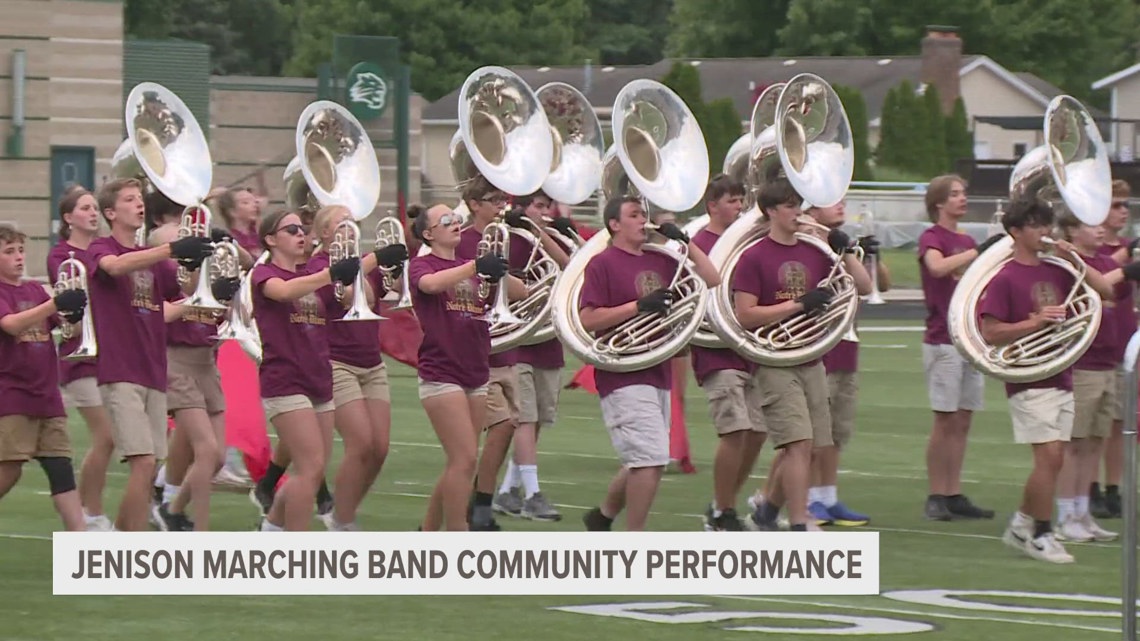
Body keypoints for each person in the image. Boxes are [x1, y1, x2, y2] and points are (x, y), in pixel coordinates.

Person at [980, 198, 1117, 563]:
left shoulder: (1058, 269)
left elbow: (1105, 291)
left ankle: (1022, 524)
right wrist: (1035, 323)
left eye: (1046, 224)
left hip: (1062, 373)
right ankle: (1041, 533)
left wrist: (1076, 259)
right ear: (1016, 232)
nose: (1046, 232)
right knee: (1050, 457)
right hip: (1029, 376)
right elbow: (990, 333)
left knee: (1054, 460)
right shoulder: (1005, 277)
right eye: (1036, 225)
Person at [580, 195, 720, 532]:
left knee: (643, 456)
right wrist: (638, 306)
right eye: (634, 215)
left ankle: (603, 516)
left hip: (658, 368)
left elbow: (711, 278)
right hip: (623, 371)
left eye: (644, 214)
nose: (643, 220)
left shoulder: (662, 259)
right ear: (615, 224)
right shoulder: (602, 263)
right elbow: (588, 319)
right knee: (650, 459)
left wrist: (684, 241)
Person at [740, 177, 872, 533]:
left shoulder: (815, 251)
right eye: (788, 206)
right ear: (770, 212)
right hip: (774, 359)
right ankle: (800, 523)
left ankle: (767, 512)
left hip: (812, 358)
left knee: (810, 445)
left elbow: (864, 287)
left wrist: (845, 250)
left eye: (798, 204)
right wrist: (798, 305)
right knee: (798, 444)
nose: (797, 212)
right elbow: (745, 315)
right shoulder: (754, 257)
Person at [88, 178, 214, 532]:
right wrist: (171, 250)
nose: (139, 205)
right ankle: (125, 538)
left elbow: (174, 300)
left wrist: (204, 272)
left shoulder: (154, 261)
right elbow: (113, 267)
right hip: (121, 369)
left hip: (153, 368)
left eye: (139, 199)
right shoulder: (101, 247)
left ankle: (122, 536)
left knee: (150, 463)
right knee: (143, 463)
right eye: (129, 200)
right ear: (111, 212)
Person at [455, 177, 569, 530]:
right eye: (492, 200)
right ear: (474, 204)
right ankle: (471, 508)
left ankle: (484, 500)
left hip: (509, 346)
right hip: (477, 348)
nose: (499, 207)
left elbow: (564, 267)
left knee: (506, 428)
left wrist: (537, 232)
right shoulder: (463, 241)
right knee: (474, 440)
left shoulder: (511, 235)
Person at [409, 203, 524, 531]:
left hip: (476, 371)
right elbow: (430, 285)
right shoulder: (422, 264)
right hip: (441, 373)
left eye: (456, 219)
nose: (456, 223)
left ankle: (428, 533)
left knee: (460, 463)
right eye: (446, 220)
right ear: (429, 234)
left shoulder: (466, 267)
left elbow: (521, 292)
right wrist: (476, 265)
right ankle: (458, 534)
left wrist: (499, 270)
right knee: (465, 460)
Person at [250, 209, 360, 532]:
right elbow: (283, 292)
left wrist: (375, 264)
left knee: (312, 470)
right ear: (271, 239)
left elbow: (349, 299)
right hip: (285, 380)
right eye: (292, 229)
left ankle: (270, 530)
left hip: (319, 378)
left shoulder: (312, 273)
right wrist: (331, 273)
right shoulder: (264, 274)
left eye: (303, 229)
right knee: (311, 467)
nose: (302, 234)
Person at [306, 205, 408, 531]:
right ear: (324, 234)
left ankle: (342, 515)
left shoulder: (364, 263)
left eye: (353, 222)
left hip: (372, 363)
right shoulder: (318, 266)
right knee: (360, 443)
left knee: (379, 449)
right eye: (341, 223)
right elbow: (344, 296)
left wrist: (394, 260)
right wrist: (375, 259)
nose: (351, 227)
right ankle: (342, 522)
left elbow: (383, 289)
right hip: (337, 362)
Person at [917, 175, 1002, 521]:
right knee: (945, 419)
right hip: (942, 338)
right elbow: (937, 268)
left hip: (967, 340)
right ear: (939, 202)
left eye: (964, 193)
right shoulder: (931, 237)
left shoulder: (965, 238)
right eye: (955, 194)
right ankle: (936, 493)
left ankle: (953, 491)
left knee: (963, 419)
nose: (962, 199)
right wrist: (977, 252)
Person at [686, 175, 767, 531]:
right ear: (712, 205)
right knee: (734, 430)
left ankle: (723, 505)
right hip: (716, 349)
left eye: (740, 200)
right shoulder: (698, 242)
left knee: (758, 430)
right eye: (731, 201)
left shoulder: (746, 242)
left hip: (750, 348)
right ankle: (722, 512)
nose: (738, 206)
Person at [492, 190, 577, 521]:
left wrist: (539, 229)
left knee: (538, 419)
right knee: (524, 418)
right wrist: (523, 227)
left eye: (546, 207)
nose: (544, 212)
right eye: (538, 207)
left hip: (547, 340)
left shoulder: (547, 238)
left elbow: (569, 268)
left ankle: (507, 490)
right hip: (517, 341)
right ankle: (533, 494)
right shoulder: (505, 237)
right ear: (523, 208)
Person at [802, 199, 886, 527]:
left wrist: (856, 251)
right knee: (813, 432)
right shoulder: (807, 245)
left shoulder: (841, 243)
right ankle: (803, 498)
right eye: (831, 202)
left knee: (838, 431)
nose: (841, 205)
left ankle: (827, 496)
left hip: (847, 342)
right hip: (817, 346)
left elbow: (870, 287)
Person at [0, 224, 88, 531]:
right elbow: (11, 325)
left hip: (47, 395)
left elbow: (66, 329)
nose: (19, 258)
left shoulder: (35, 290)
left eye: (21, 250)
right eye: (9, 252)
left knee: (61, 469)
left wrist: (75, 315)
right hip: (13, 395)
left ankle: (81, 543)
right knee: (9, 469)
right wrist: (55, 303)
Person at [1053, 211, 1130, 543]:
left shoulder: (1102, 260)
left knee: (1096, 442)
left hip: (1107, 361)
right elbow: (1091, 289)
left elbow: (1116, 295)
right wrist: (1123, 271)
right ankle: (1065, 513)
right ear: (1072, 229)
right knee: (1074, 443)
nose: (1100, 229)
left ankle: (1083, 511)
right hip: (1082, 362)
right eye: (1091, 224)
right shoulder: (1066, 261)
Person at [46, 188, 116, 531]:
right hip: (81, 356)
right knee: (106, 436)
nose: (93, 213)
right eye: (85, 208)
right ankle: (91, 513)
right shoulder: (61, 254)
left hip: (114, 354)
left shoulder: (106, 250)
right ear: (69, 218)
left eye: (94, 208)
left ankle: (93, 511)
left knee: (119, 437)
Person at [1092, 179, 1133, 518]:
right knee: (1095, 427)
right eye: (1116, 205)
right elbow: (1104, 277)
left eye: (1126, 206)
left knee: (1120, 422)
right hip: (1096, 347)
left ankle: (1113, 488)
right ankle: (1088, 487)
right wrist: (1130, 255)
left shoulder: (1126, 247)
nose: (1123, 211)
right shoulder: (1095, 250)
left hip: (1125, 343)